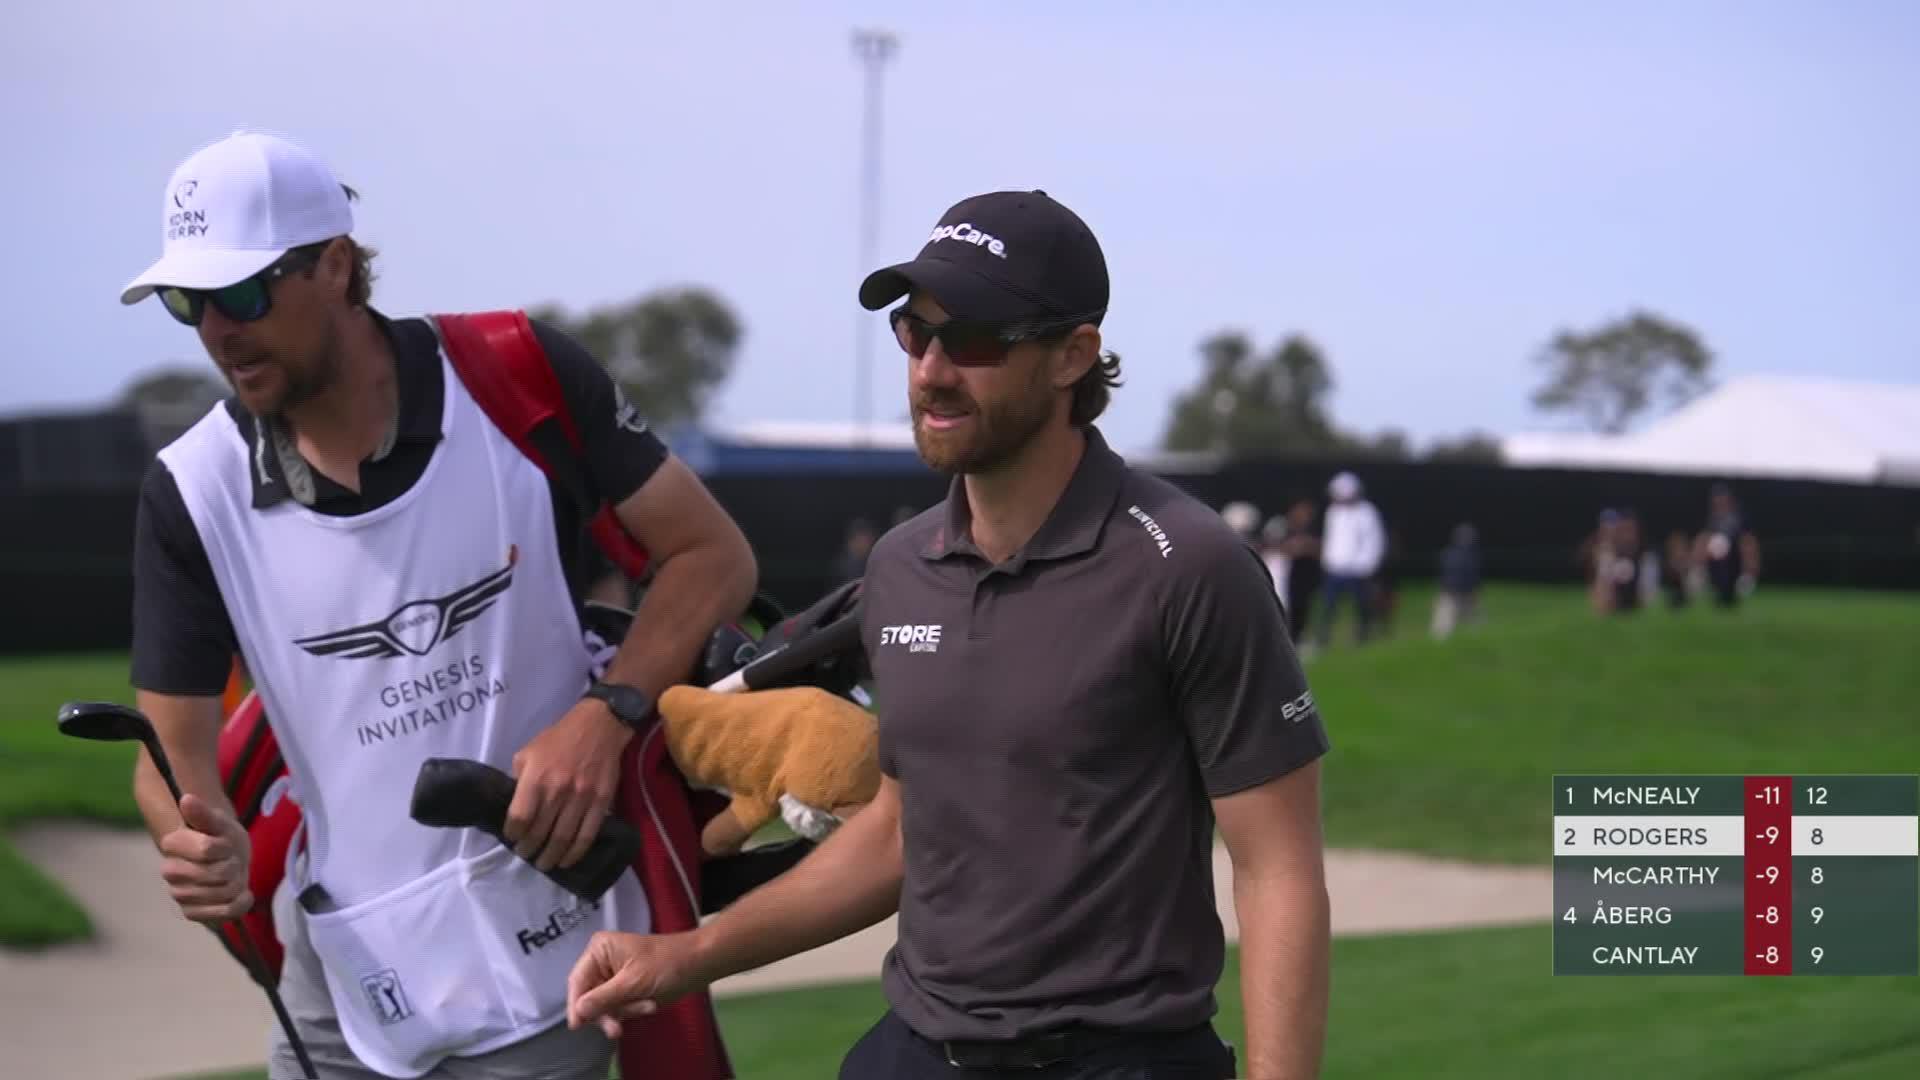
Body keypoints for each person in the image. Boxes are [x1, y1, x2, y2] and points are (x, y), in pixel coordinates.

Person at [565, 189, 1333, 1079]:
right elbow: (898, 832)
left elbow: (1277, 871)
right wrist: (688, 955)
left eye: (971, 340)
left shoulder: (1189, 564)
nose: (930, 370)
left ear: (1072, 355)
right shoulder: (900, 566)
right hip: (914, 1055)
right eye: (914, 332)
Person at [120, 131, 758, 1080]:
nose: (218, 329)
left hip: (549, 945)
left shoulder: (513, 374)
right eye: (188, 302)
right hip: (339, 981)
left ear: (337, 266)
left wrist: (607, 715)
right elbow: (169, 761)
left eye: (243, 293)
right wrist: (195, 836)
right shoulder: (190, 488)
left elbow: (713, 557)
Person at [1315, 471, 1385, 648]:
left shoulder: (1367, 511)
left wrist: (1369, 565)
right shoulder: (1333, 512)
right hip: (1335, 567)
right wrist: (1327, 560)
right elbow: (1331, 538)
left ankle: (1363, 634)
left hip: (1358, 569)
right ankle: (1323, 636)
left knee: (1362, 604)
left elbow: (1374, 540)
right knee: (1328, 604)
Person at [1694, 483, 1761, 608]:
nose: (1719, 502)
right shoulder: (1712, 520)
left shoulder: (1739, 519)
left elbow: (1748, 542)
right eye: (1717, 499)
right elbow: (1703, 540)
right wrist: (1699, 565)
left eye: (1722, 498)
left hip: (1734, 559)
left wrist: (1750, 569)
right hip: (1715, 561)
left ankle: (1732, 592)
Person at [1431, 523, 1482, 640]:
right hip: (1459, 593)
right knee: (1449, 623)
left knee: (1444, 625)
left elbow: (1441, 576)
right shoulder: (1469, 556)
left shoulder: (1448, 553)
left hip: (1451, 592)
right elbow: (1472, 577)